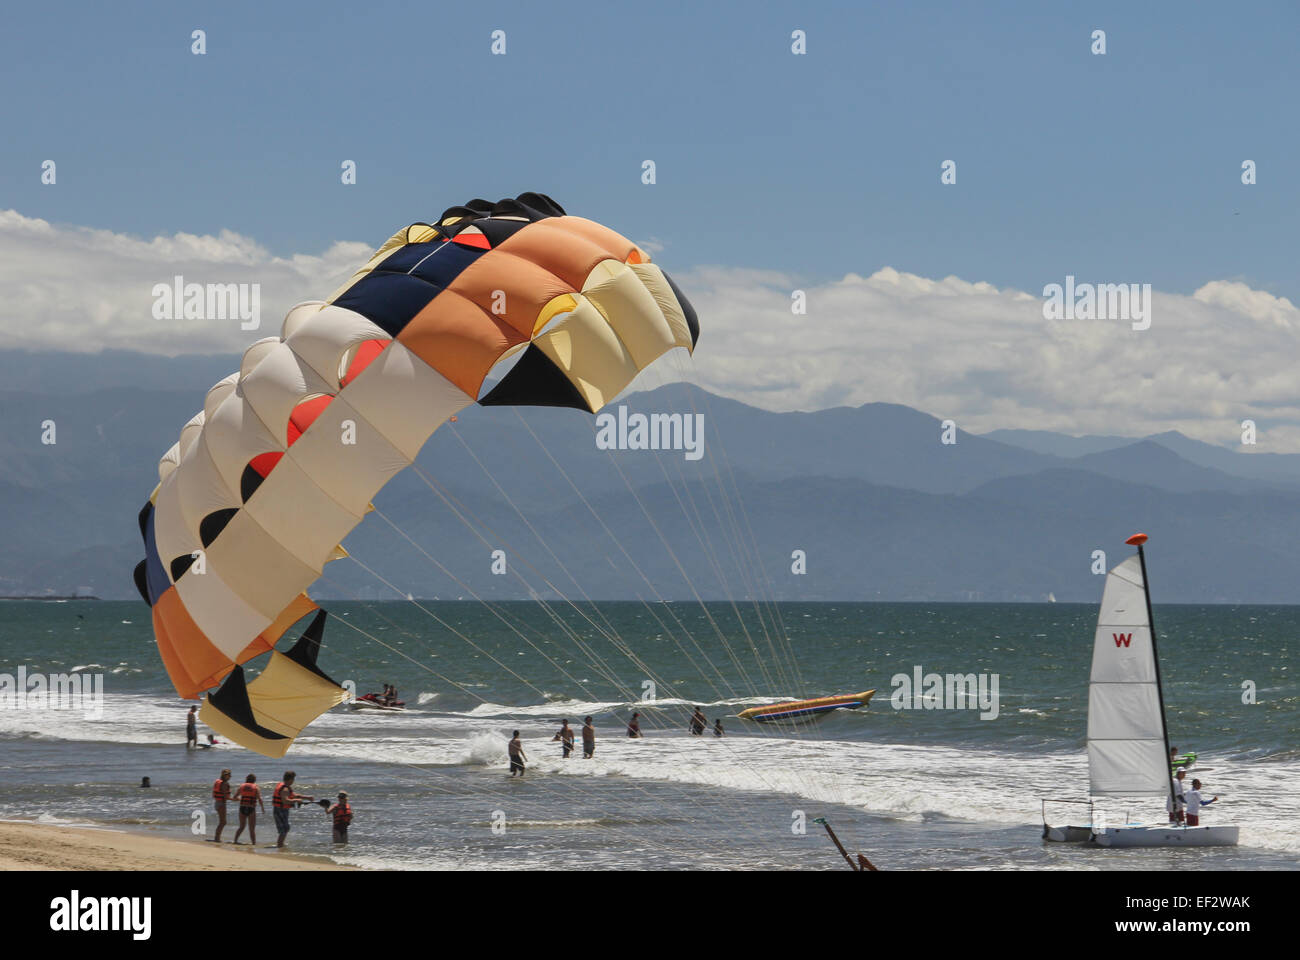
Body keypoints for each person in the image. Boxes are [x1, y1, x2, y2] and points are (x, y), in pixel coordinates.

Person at [272, 771, 314, 848]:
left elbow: (294, 795)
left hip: (283, 810)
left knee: (286, 828)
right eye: (293, 779)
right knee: (283, 830)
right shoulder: (285, 789)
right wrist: (296, 801)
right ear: (290, 779)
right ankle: (279, 845)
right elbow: (285, 800)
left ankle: (281, 843)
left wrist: (307, 797)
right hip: (279, 810)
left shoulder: (286, 787)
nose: (293, 781)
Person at [232, 774, 264, 845]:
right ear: (254, 780)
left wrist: (240, 799)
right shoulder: (256, 787)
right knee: (251, 829)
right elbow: (259, 799)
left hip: (242, 807)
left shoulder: (242, 786)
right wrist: (262, 808)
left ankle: (235, 840)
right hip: (251, 808)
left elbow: (234, 798)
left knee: (241, 826)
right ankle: (253, 843)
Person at [212, 768, 232, 842]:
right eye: (229, 775)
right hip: (221, 804)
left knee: (222, 822)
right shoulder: (224, 783)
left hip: (217, 803)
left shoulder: (217, 781)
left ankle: (217, 838)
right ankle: (217, 838)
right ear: (225, 776)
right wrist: (236, 799)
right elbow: (226, 797)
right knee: (223, 822)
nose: (230, 777)